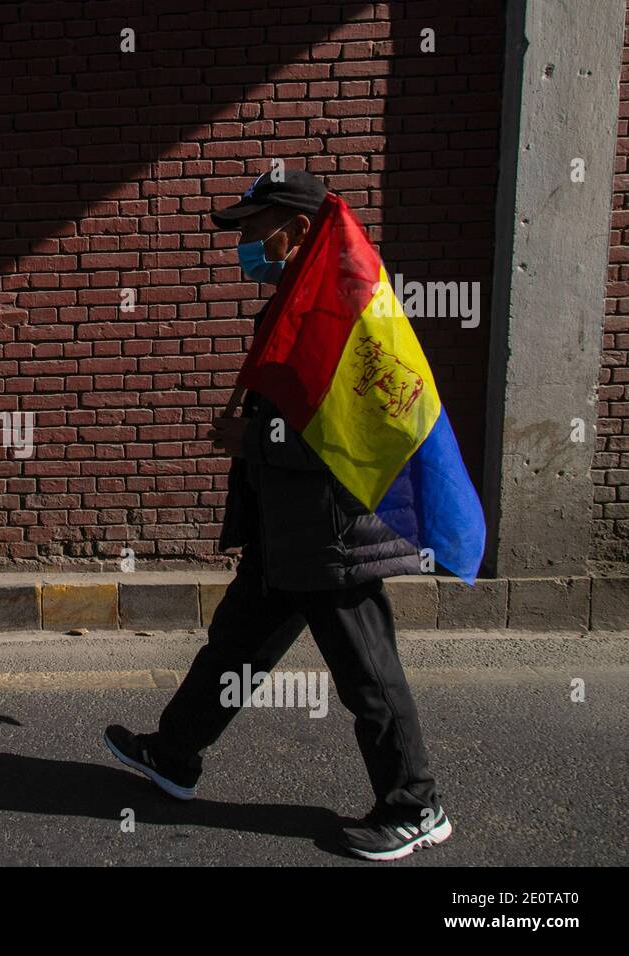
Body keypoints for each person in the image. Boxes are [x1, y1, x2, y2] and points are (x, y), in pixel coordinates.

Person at [103, 170, 453, 861]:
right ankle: (175, 755)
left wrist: (254, 439)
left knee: (367, 674)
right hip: (287, 530)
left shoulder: (337, 309)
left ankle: (415, 805)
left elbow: (359, 427)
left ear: (294, 230)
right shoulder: (295, 296)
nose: (245, 244)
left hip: (332, 534)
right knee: (234, 646)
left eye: (254, 230)